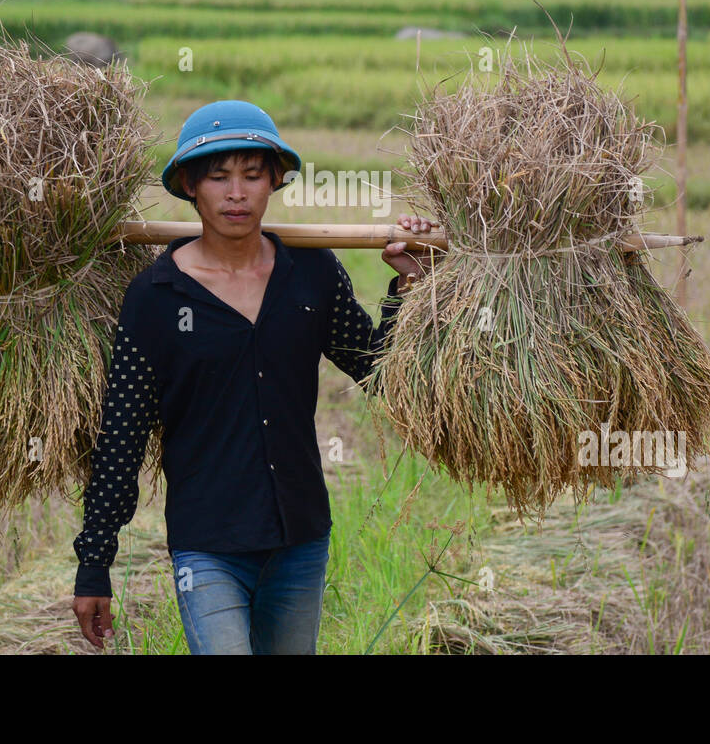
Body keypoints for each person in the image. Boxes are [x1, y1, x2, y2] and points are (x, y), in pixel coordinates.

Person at [71, 100, 440, 654]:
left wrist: (408, 288)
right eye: (218, 177)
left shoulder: (310, 274)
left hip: (301, 538)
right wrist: (94, 565)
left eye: (251, 175)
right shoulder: (154, 297)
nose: (236, 193)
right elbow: (121, 437)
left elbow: (379, 370)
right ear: (191, 185)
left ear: (274, 181)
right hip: (208, 544)